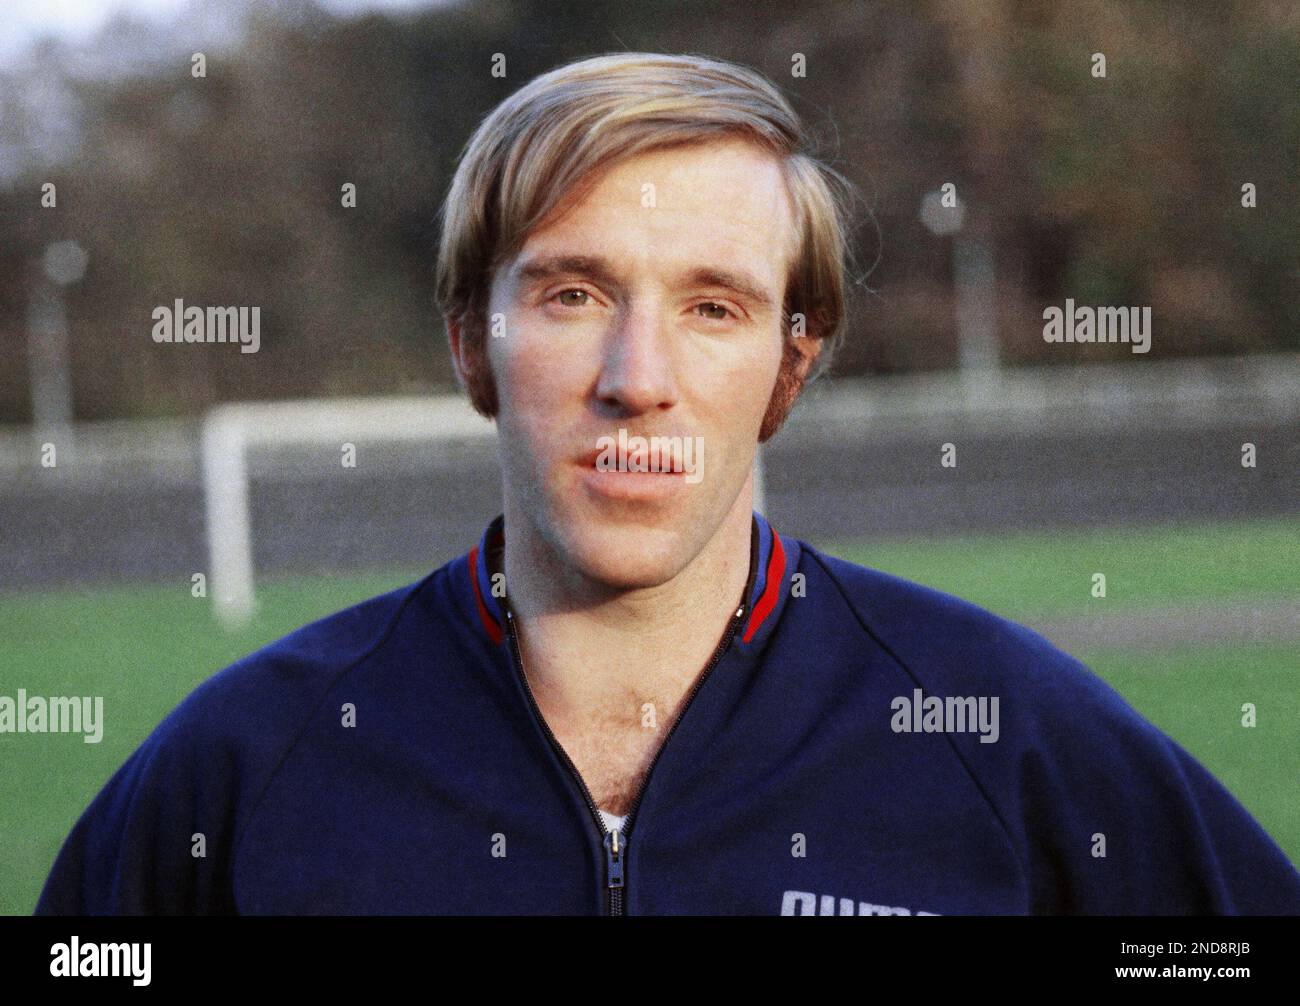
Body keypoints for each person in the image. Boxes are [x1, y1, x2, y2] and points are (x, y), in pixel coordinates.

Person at [36, 52, 1300, 916]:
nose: (637, 377)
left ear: (787, 366)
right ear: (472, 341)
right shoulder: (241, 771)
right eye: (574, 293)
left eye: (712, 305)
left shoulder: (1010, 739)